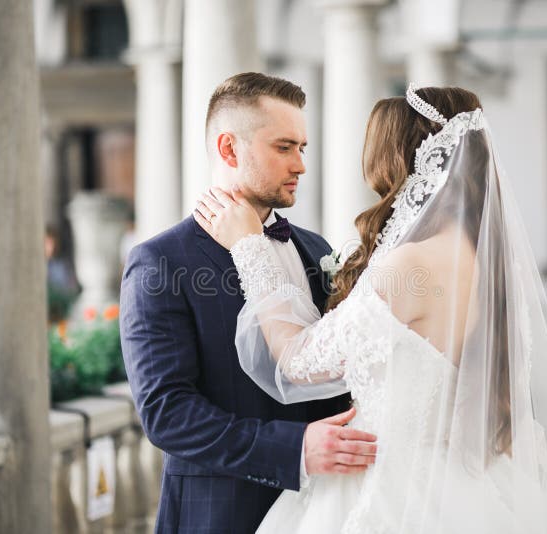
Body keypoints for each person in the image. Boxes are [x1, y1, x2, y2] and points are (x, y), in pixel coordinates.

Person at [195, 85, 547, 533]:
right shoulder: (488, 261)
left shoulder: (411, 263)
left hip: (391, 491)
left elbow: (299, 361)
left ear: (399, 161)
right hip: (469, 486)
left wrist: (250, 249)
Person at [119, 72, 374, 533]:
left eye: (303, 148)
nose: (299, 165)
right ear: (229, 149)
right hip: (220, 515)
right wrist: (292, 449)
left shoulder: (315, 249)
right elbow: (166, 413)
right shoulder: (160, 262)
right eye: (284, 147)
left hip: (326, 512)